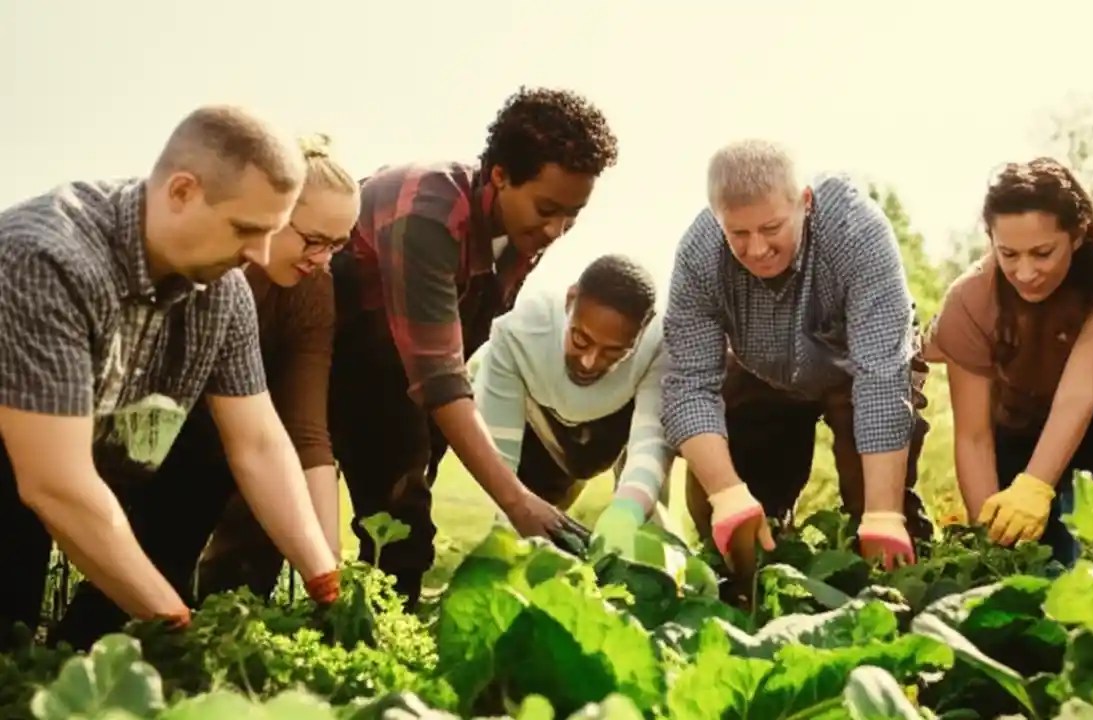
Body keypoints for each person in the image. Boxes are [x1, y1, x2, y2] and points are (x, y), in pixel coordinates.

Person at [0, 105, 340, 647]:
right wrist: (177, 625)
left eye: (270, 233)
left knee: (207, 451)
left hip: (97, 449)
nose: (257, 253)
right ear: (181, 192)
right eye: (246, 229)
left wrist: (326, 580)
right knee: (10, 628)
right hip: (24, 462)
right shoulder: (47, 257)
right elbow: (53, 482)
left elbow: (257, 442)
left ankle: (90, 646)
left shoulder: (224, 293)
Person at [328, 86, 619, 607]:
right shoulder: (427, 213)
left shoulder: (520, 231)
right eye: (548, 209)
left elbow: (457, 348)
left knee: (403, 524)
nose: (556, 230)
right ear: (500, 175)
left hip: (400, 366)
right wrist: (516, 500)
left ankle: (376, 632)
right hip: (331, 347)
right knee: (260, 518)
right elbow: (439, 380)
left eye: (572, 215)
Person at [662, 139, 932, 578]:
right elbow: (689, 384)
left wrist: (883, 516)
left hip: (859, 368)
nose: (756, 249)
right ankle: (754, 587)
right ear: (719, 221)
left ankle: (898, 577)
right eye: (739, 234)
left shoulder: (855, 231)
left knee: (880, 509)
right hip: (761, 370)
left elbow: (881, 374)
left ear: (804, 203)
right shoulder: (699, 256)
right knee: (736, 525)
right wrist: (727, 493)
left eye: (771, 228)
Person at [923, 157, 1093, 564]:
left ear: (1077, 233)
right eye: (1009, 254)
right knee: (1032, 567)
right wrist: (991, 540)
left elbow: (1081, 387)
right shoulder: (967, 303)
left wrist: (1036, 485)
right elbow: (974, 437)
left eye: (1042, 252)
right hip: (1019, 424)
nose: (1026, 271)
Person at [469, 253, 674, 557]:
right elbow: (504, 459)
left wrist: (628, 511)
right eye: (581, 339)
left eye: (614, 352)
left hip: (616, 427)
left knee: (649, 533)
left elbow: (650, 439)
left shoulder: (661, 344)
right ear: (570, 300)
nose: (590, 362)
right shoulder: (518, 332)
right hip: (546, 429)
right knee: (530, 530)